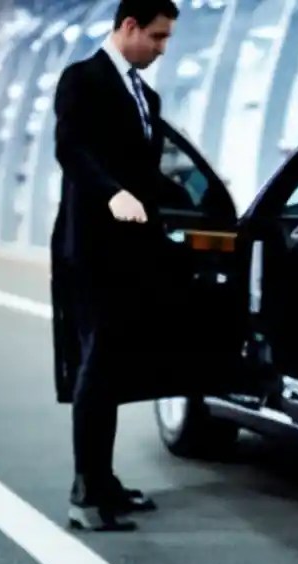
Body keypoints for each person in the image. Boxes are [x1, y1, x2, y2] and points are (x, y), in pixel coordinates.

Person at [50, 0, 179, 532]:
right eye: (156, 36)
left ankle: (104, 481)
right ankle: (85, 493)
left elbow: (150, 172)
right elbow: (72, 151)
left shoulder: (146, 95)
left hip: (133, 255)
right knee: (96, 368)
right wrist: (112, 194)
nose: (161, 48)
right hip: (92, 250)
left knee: (114, 371)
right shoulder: (82, 79)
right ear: (128, 26)